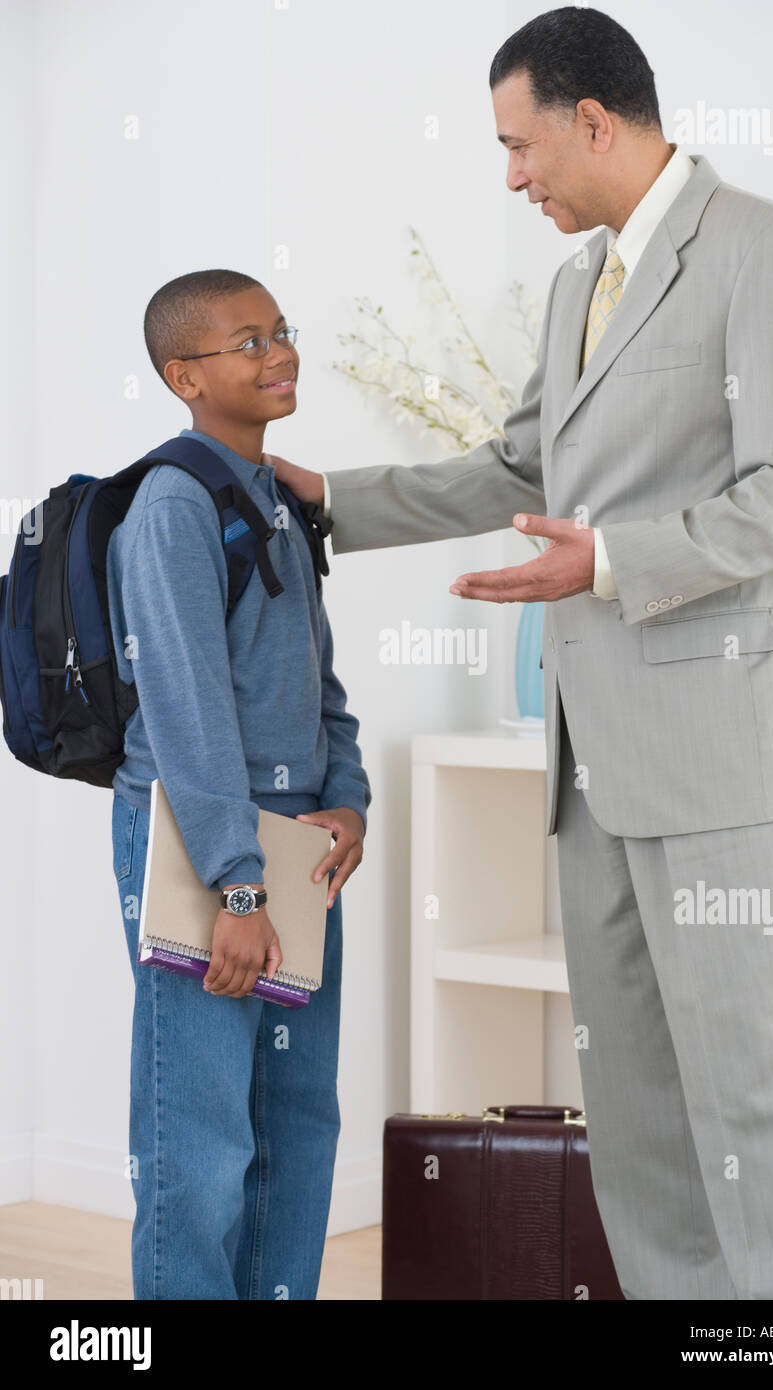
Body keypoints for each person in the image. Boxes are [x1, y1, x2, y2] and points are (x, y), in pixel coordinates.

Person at [269, 8, 773, 1299]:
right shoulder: (575, 284)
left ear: (591, 120)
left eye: (517, 146)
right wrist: (333, 502)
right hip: (588, 774)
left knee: (758, 1107)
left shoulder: (763, 251)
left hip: (720, 769)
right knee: (637, 1118)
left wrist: (603, 563)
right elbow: (515, 467)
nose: (510, 177)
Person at [106, 268, 371, 1300]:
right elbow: (185, 709)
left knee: (297, 1119)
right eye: (248, 341)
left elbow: (318, 674)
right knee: (201, 1134)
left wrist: (344, 794)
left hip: (298, 839)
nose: (280, 354)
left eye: (281, 332)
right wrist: (239, 885)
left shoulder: (278, 498)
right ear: (183, 375)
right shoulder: (172, 506)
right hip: (202, 840)